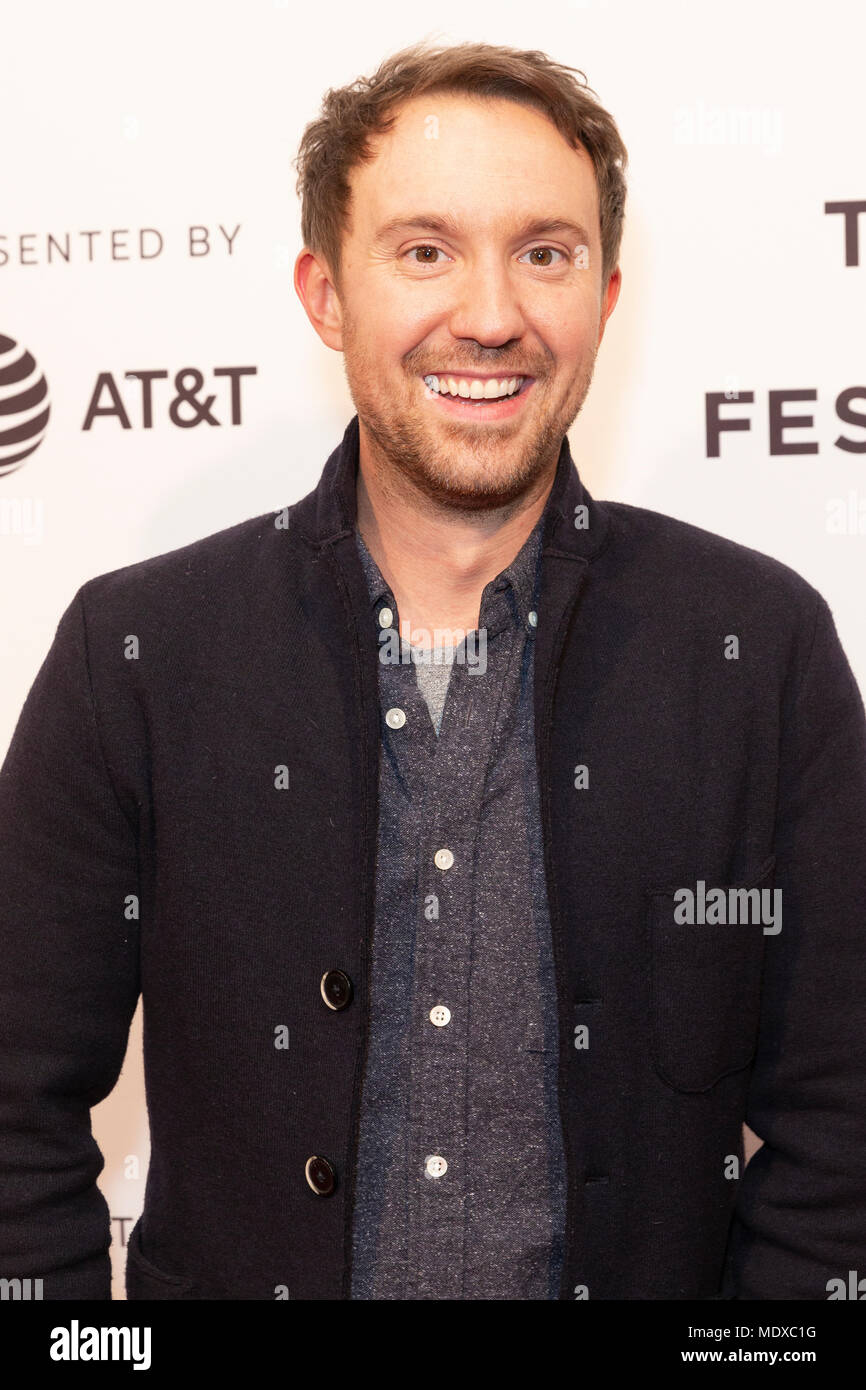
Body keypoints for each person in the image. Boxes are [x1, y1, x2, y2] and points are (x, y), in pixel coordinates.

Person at [1, 39, 865, 1302]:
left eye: (544, 252)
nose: (491, 313)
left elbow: (838, 1130)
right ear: (324, 294)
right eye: (423, 250)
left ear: (606, 295)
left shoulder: (757, 650)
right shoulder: (136, 654)